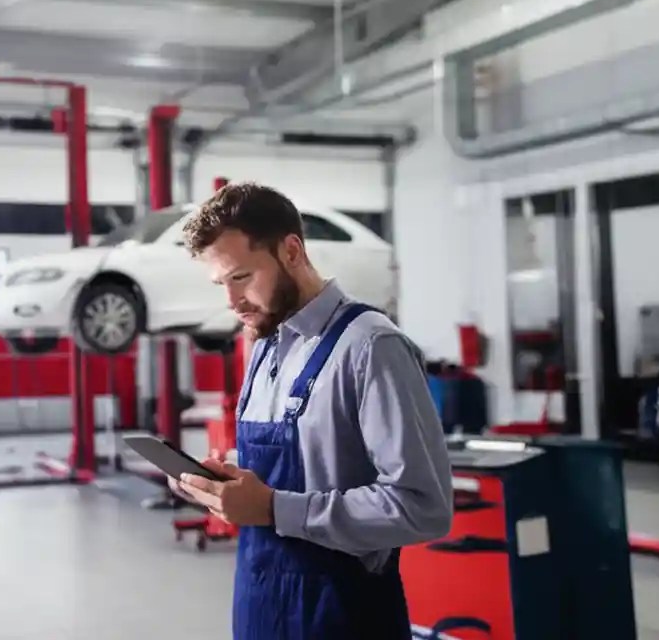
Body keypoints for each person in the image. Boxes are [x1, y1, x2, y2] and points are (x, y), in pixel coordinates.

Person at [170, 182, 453, 640]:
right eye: (220, 284)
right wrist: (217, 483)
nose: (231, 301)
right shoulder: (265, 344)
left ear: (291, 251)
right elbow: (310, 466)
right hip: (261, 608)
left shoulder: (371, 347)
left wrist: (274, 508)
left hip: (343, 617)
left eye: (241, 277)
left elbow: (423, 507)